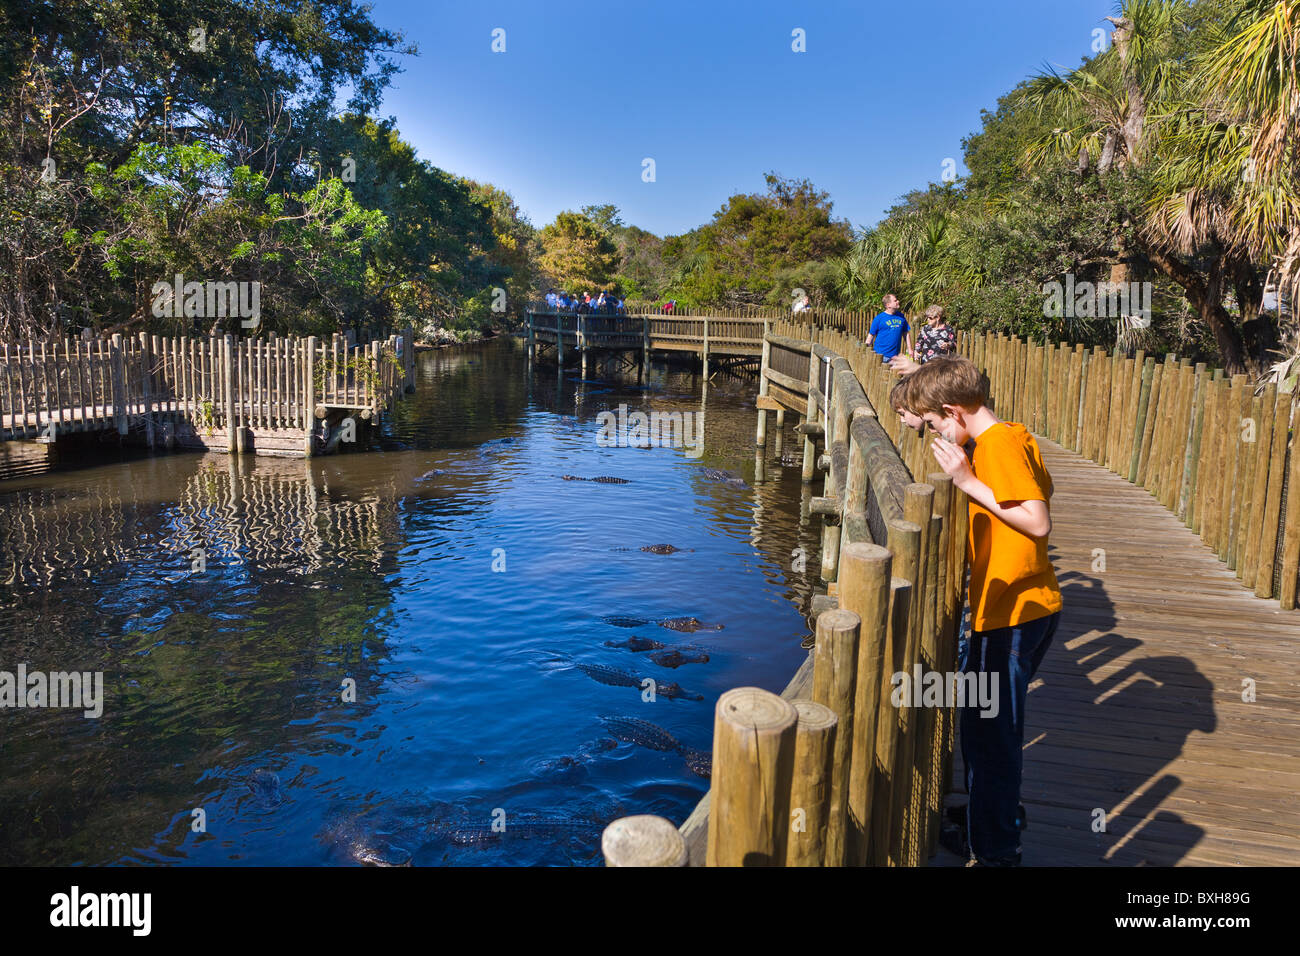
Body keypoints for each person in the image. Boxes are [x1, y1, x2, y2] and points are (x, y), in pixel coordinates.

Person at [903, 356, 1062, 867]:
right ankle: (987, 823)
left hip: (1014, 615)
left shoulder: (995, 445)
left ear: (952, 411)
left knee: (993, 739)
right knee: (984, 727)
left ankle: (994, 850)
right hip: (1022, 607)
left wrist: (968, 482)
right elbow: (1039, 489)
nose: (935, 432)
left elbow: (1038, 520)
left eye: (933, 423)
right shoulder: (1013, 435)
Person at [865, 293, 910, 362]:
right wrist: (866, 350)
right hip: (880, 356)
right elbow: (871, 335)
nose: (898, 301)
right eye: (895, 301)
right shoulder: (879, 318)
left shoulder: (901, 317)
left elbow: (906, 333)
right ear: (888, 305)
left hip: (895, 357)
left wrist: (910, 349)